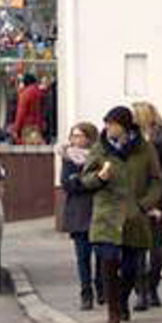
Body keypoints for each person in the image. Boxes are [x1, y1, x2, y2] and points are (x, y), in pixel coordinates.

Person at [76, 105, 162, 323]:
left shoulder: (144, 149)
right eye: (106, 124)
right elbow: (85, 179)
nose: (108, 128)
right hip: (106, 215)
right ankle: (113, 310)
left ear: (124, 126)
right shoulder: (100, 148)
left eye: (112, 124)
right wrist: (100, 177)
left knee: (131, 266)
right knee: (108, 261)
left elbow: (156, 180)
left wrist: (145, 204)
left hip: (134, 215)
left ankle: (122, 300)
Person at [130, 100, 162, 312]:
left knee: (153, 246)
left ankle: (148, 289)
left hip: (158, 198)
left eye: (134, 115)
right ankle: (145, 291)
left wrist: (154, 202)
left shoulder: (160, 138)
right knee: (145, 247)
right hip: (146, 198)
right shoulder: (140, 139)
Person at [58, 122, 101, 311]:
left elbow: (101, 181)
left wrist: (81, 181)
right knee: (82, 256)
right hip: (77, 211)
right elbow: (68, 184)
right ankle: (86, 293)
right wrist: (85, 182)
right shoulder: (68, 158)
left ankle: (101, 288)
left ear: (90, 138)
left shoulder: (99, 156)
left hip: (97, 209)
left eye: (80, 136)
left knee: (101, 254)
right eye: (73, 136)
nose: (76, 140)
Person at [12, 72, 48, 145]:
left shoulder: (25, 94)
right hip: (38, 128)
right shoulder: (40, 93)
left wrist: (16, 129)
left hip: (27, 129)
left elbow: (20, 113)